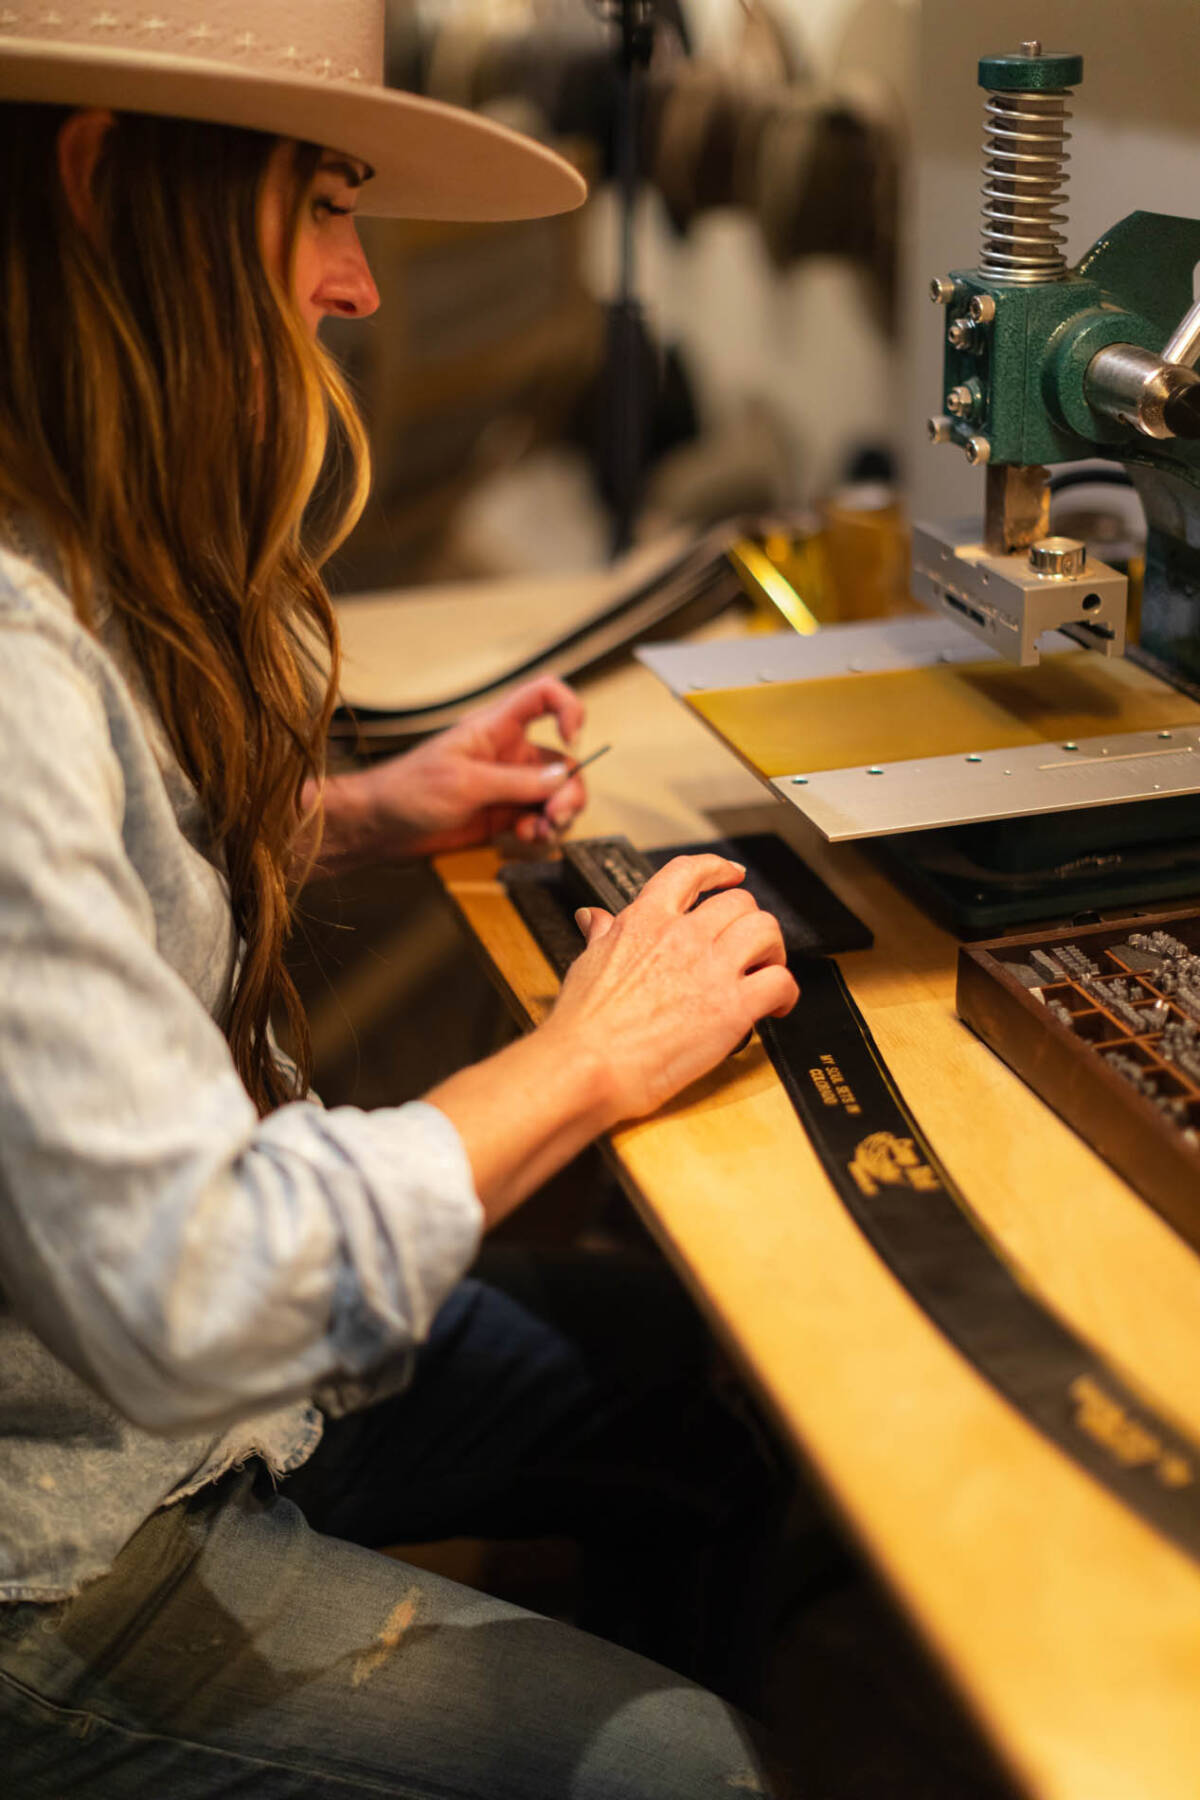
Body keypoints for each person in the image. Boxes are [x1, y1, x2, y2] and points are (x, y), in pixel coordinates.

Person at [0, 3, 801, 1794]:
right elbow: (191, 1288)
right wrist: (587, 1056)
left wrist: (359, 811)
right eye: (322, 204)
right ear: (107, 183)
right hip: (56, 1532)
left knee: (687, 1398)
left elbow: (62, 915)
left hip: (174, 1404)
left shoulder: (59, 526)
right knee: (690, 1771)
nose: (358, 286)